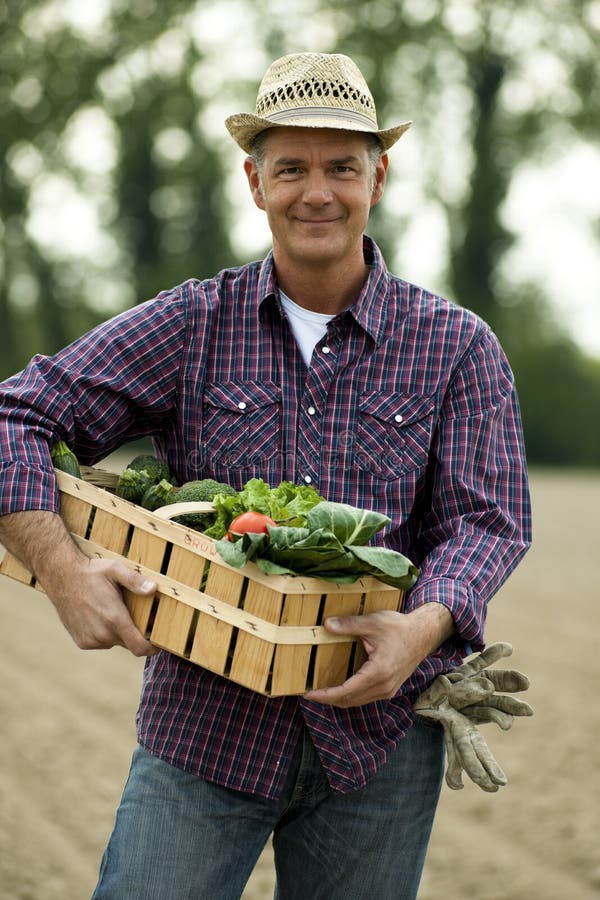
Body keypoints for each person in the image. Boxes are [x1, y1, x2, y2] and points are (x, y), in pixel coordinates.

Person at [0, 52, 531, 899]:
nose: (316, 192)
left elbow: (487, 522)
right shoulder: (191, 324)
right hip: (203, 736)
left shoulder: (457, 347)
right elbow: (14, 415)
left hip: (378, 749)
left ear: (378, 178)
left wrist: (423, 629)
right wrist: (63, 573)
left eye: (341, 167)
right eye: (291, 168)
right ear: (255, 182)